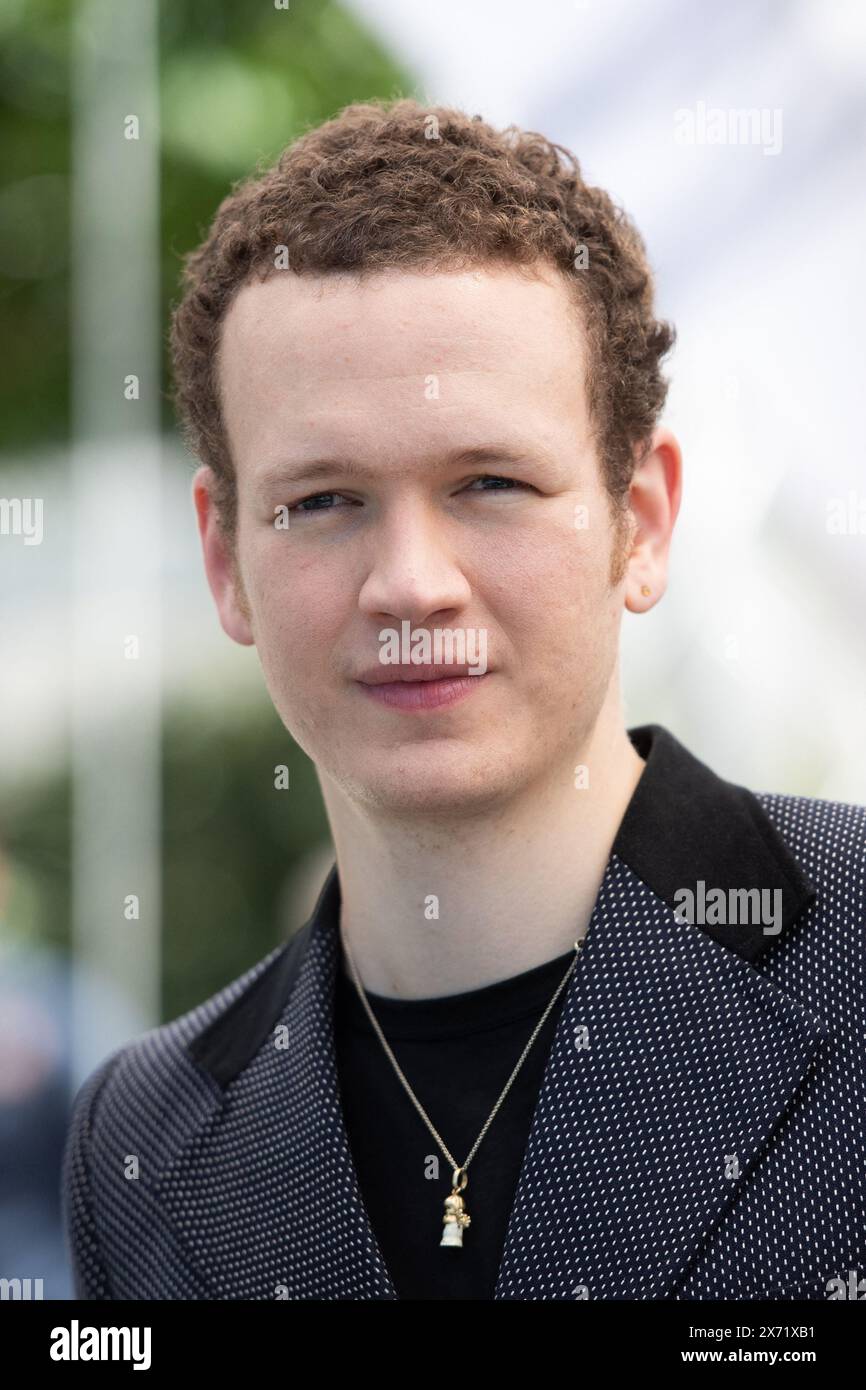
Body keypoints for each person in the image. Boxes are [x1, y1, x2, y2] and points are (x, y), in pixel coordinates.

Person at [62, 97, 865, 1301]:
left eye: (490, 482)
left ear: (638, 523)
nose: (410, 584)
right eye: (322, 501)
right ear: (226, 560)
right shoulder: (143, 1139)